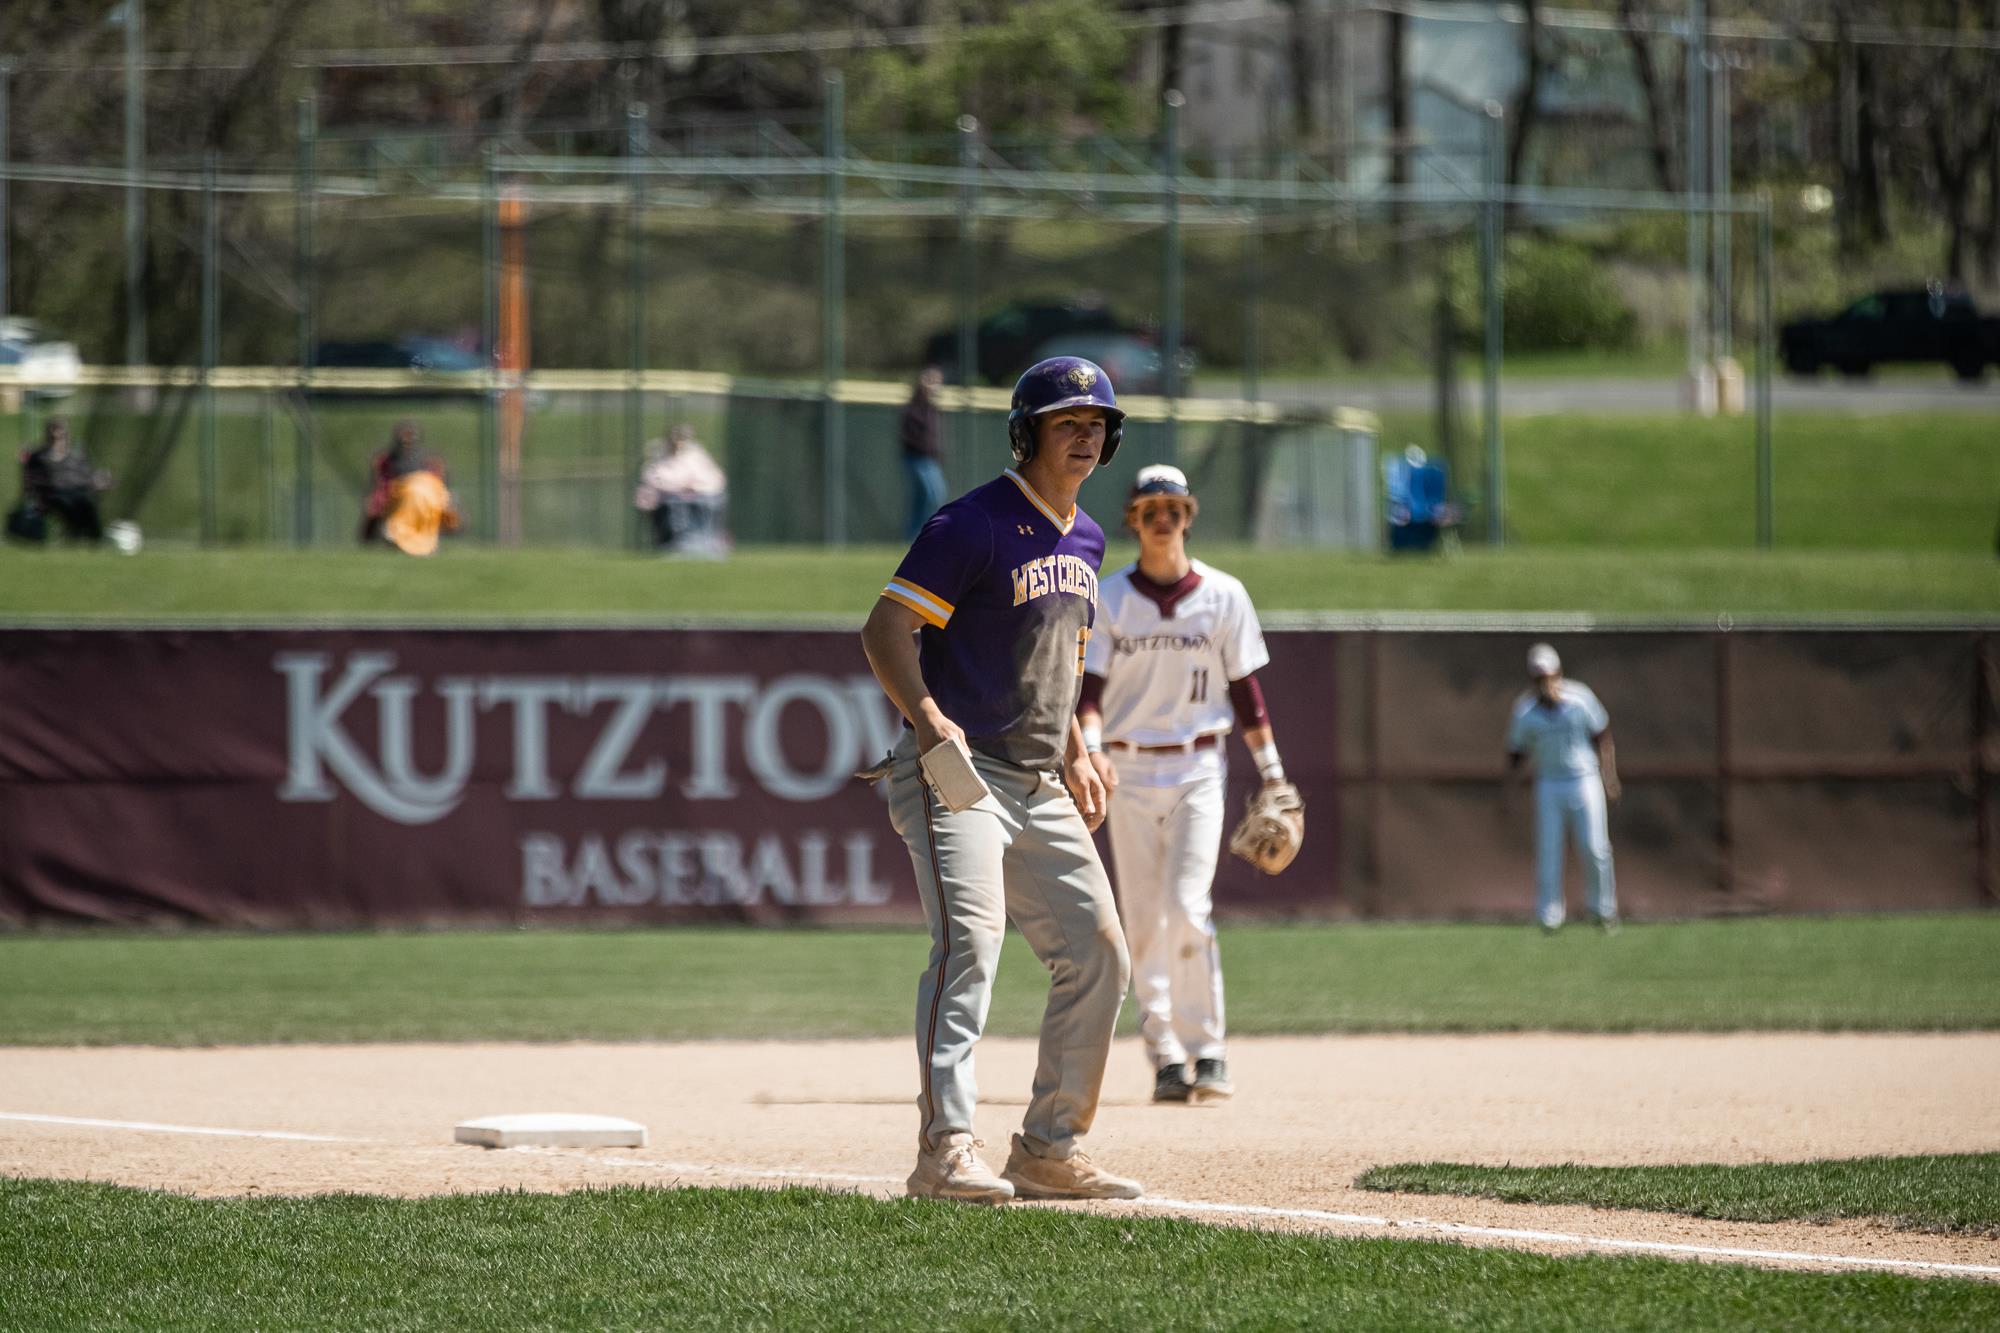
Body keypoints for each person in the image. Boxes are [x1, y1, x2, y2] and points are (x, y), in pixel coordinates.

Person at [858, 355, 1140, 1207]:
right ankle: (944, 1149)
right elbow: (885, 628)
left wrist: (1078, 748)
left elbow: (1066, 656)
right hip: (960, 768)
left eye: (1097, 423)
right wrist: (928, 717)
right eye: (1068, 422)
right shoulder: (972, 523)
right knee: (970, 943)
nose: (1086, 434)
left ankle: (1050, 1148)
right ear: (1028, 434)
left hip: (1039, 777)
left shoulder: (1087, 537)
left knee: (1098, 953)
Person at [1077, 464, 1286, 1106]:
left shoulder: (1224, 595)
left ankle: (1209, 1050)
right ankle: (1165, 1054)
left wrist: (1274, 772)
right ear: (1132, 519)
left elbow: (1247, 696)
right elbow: (1089, 695)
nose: (1162, 517)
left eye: (1172, 506)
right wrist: (1089, 750)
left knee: (1187, 904)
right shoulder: (1109, 598)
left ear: (1189, 515)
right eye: (1149, 508)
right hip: (1129, 767)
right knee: (1142, 918)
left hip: (1199, 765)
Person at [1506, 643, 1621, 933]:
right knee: (1549, 849)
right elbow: (1516, 752)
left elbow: (1602, 737)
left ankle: (1603, 911)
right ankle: (1550, 915)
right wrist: (1510, 789)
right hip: (1549, 782)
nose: (1545, 682)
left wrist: (1609, 777)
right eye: (1538, 677)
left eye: (1549, 675)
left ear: (1558, 673)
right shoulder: (1525, 711)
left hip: (1584, 779)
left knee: (1594, 847)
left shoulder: (1580, 699)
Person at [634, 424, 729, 556]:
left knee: (708, 504)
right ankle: (677, 542)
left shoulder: (696, 456)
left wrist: (695, 488)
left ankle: (705, 542)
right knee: (675, 506)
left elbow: (714, 479)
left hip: (699, 497)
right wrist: (677, 488)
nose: (679, 442)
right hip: (668, 500)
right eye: (677, 438)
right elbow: (654, 480)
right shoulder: (659, 457)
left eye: (683, 438)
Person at [12, 419, 110, 543]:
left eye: (60, 436)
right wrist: (25, 467)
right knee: (66, 502)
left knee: (87, 503)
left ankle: (95, 538)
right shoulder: (39, 457)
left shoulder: (76, 455)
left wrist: (98, 480)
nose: (56, 440)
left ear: (66, 436)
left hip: (78, 491)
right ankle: (74, 534)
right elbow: (31, 480)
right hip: (52, 494)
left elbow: (88, 475)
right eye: (53, 436)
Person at [900, 366, 947, 541]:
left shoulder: (932, 408)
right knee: (932, 494)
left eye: (937, 382)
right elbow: (907, 436)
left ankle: (921, 536)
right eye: (930, 381)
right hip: (917, 458)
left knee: (926, 498)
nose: (934, 386)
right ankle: (919, 535)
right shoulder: (914, 407)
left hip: (931, 459)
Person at [360, 420, 425, 545]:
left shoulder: (425, 460)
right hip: (393, 497)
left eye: (410, 436)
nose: (407, 440)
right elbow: (379, 483)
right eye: (404, 436)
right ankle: (385, 535)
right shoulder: (385, 459)